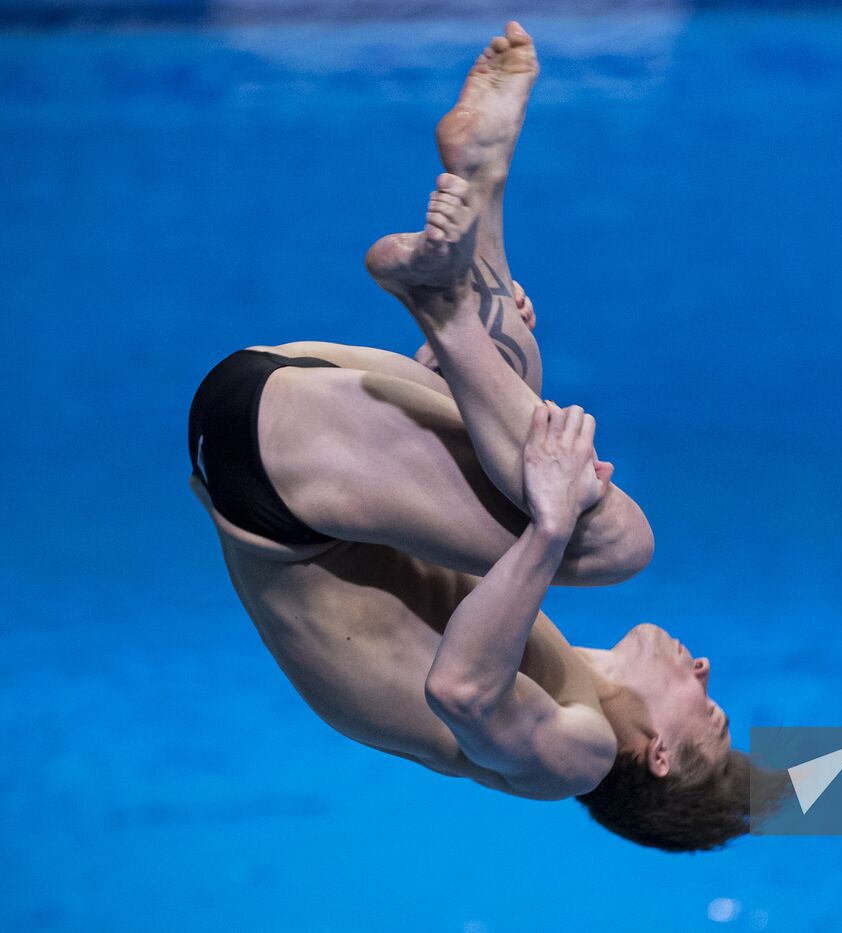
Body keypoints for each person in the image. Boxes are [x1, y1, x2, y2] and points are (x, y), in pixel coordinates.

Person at [187, 22, 750, 852]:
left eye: (713, 714)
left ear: (661, 754)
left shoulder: (577, 754)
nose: (705, 673)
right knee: (514, 367)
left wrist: (554, 522)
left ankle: (448, 305)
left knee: (613, 542)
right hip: (265, 430)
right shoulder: (554, 667)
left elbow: (457, 686)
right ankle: (477, 182)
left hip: (278, 484)